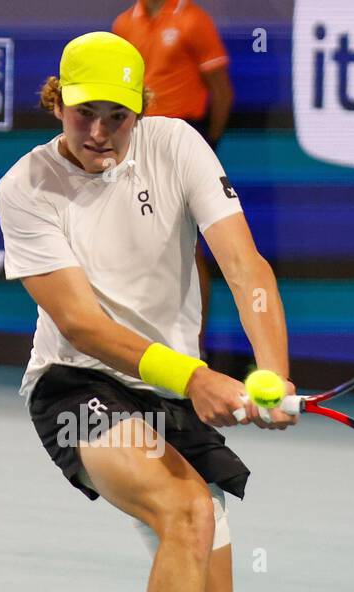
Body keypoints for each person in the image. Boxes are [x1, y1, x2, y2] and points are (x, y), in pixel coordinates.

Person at [0, 31, 293, 592]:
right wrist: (194, 376)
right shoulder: (25, 185)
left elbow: (245, 265)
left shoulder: (176, 146)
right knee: (184, 509)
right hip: (76, 387)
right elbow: (83, 324)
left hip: (164, 395)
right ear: (57, 97)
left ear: (141, 113)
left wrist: (269, 371)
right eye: (85, 113)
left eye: (117, 119)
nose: (99, 133)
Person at [112, 0, 234, 358]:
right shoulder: (123, 24)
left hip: (183, 142)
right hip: (134, 142)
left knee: (188, 248)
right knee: (133, 241)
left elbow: (222, 92)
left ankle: (194, 349)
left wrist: (205, 149)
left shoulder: (194, 21)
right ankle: (134, 342)